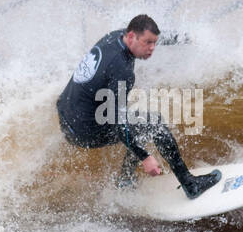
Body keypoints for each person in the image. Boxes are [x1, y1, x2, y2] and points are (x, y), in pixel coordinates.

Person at [56, 15, 221, 199]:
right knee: (154, 123)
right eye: (147, 43)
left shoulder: (114, 36)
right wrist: (145, 157)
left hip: (66, 115)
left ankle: (126, 180)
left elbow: (117, 114)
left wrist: (183, 38)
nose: (152, 49)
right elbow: (117, 122)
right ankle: (190, 185)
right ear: (132, 36)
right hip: (84, 132)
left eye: (154, 43)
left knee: (137, 119)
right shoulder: (122, 71)